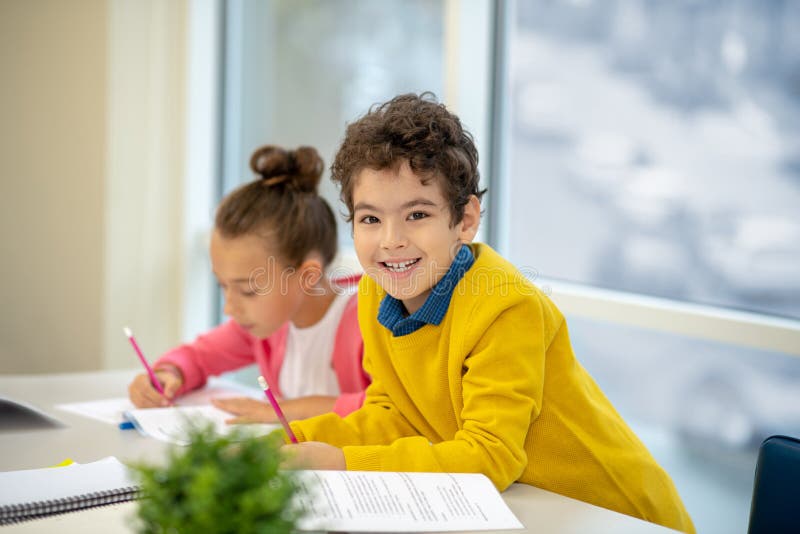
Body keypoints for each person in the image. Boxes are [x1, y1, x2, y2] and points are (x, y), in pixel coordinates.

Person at [281, 94, 695, 533]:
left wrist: (345, 462)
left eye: (416, 214)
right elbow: (394, 414)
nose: (391, 240)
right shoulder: (375, 292)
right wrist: (295, 439)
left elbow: (490, 454)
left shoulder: (505, 306)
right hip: (529, 509)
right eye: (370, 219)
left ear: (465, 220)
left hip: (616, 514)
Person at [128, 145, 369, 423]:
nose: (229, 308)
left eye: (248, 290)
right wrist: (168, 374)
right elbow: (199, 356)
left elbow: (389, 408)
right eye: (223, 286)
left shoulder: (369, 321)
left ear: (308, 276)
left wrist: (277, 411)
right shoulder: (268, 326)